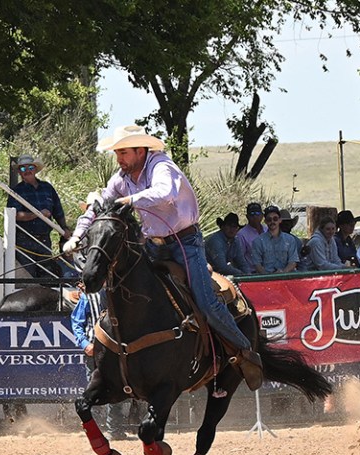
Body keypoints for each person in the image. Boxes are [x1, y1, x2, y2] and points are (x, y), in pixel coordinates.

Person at [62, 124, 263, 390]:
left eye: (123, 152)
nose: (119, 159)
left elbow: (164, 192)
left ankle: (245, 351)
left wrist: (129, 201)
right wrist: (77, 237)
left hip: (185, 244)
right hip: (153, 245)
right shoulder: (120, 178)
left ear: (141, 151)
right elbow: (96, 209)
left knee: (206, 302)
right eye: (117, 153)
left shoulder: (162, 166)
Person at [71, 288, 134, 440]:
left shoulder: (120, 295)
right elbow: (77, 322)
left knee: (116, 386)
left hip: (114, 349)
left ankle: (114, 429)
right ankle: (98, 429)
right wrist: (85, 344)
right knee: (94, 388)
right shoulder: (88, 298)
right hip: (94, 350)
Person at [8, 155, 66, 277]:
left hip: (44, 239)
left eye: (30, 167)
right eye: (23, 169)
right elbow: (15, 215)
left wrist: (64, 228)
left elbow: (58, 211)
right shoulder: (16, 191)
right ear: (19, 172)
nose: (27, 171)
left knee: (46, 275)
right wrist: (38, 214)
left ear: (35, 169)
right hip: (24, 240)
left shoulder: (47, 187)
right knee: (28, 275)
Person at [251, 206, 300, 274]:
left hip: (287, 278)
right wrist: (267, 277)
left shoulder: (290, 240)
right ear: (265, 221)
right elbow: (257, 264)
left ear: (280, 220)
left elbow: (293, 261)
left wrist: (283, 273)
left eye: (275, 218)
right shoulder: (258, 241)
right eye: (269, 219)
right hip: (266, 280)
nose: (272, 221)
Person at [204, 212, 244, 276]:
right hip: (207, 272)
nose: (232, 229)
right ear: (223, 227)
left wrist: (248, 275)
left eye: (234, 227)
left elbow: (242, 262)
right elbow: (222, 267)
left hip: (221, 273)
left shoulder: (236, 241)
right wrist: (241, 273)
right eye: (229, 225)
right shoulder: (215, 241)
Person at [234, 202, 265, 274]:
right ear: (247, 217)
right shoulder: (241, 234)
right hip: (252, 274)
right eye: (252, 214)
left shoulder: (267, 230)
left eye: (257, 214)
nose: (255, 217)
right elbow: (240, 258)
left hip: (270, 271)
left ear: (262, 216)